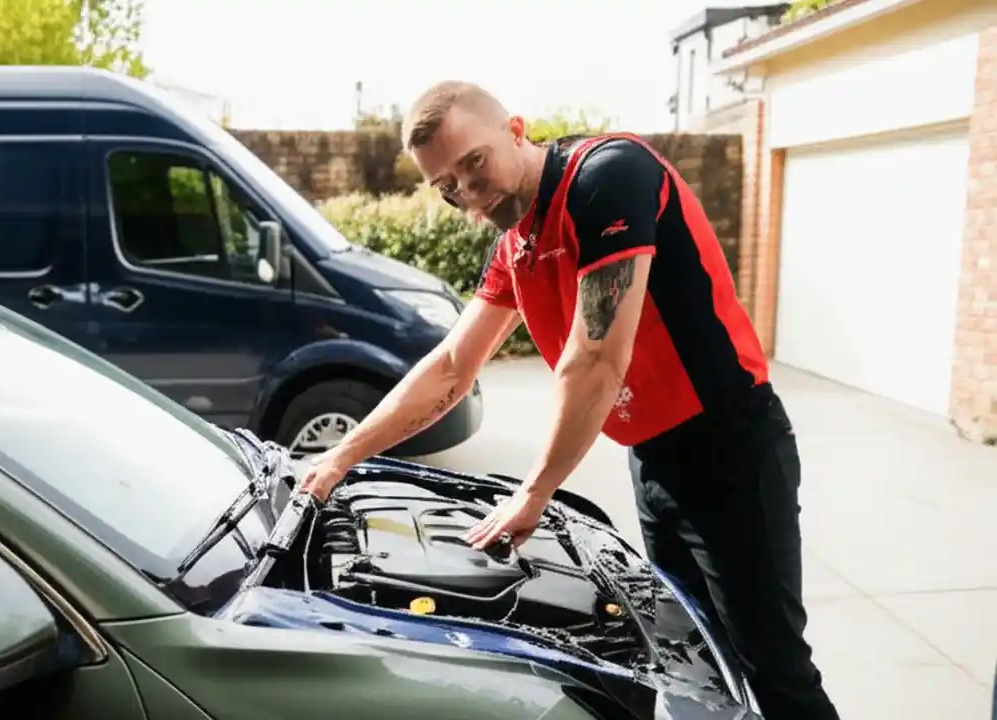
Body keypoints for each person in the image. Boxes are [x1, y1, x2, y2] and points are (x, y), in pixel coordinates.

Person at [296, 80, 840, 720]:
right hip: (654, 460)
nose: (469, 193)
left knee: (775, 671)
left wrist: (535, 491)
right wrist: (340, 458)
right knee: (693, 663)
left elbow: (596, 360)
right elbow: (449, 368)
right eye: (447, 185)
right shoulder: (514, 244)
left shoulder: (608, 177)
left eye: (474, 163)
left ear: (517, 129)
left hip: (731, 449)